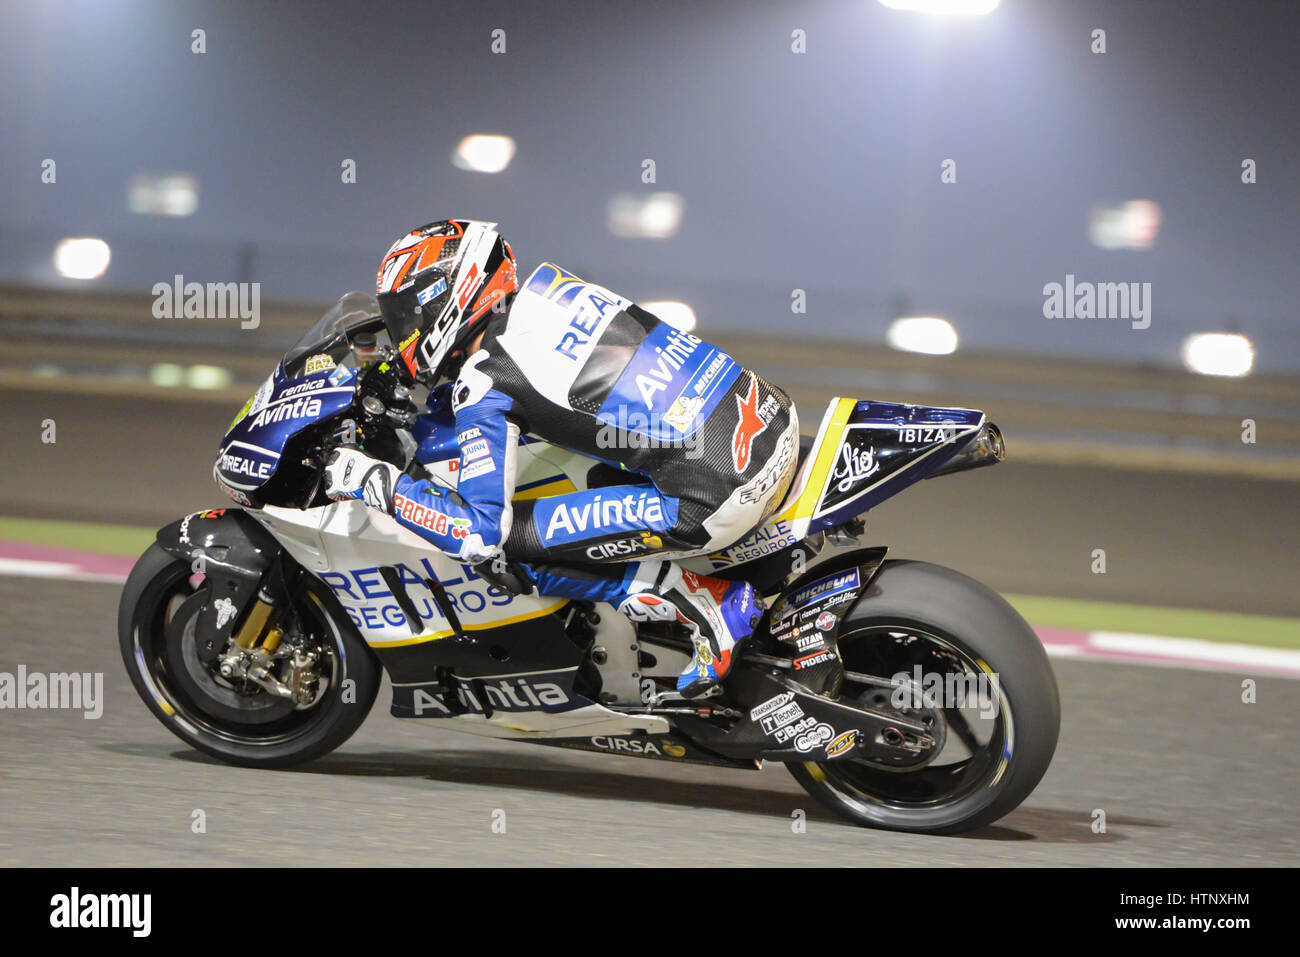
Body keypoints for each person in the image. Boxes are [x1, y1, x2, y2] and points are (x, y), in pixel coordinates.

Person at [324, 219, 799, 697]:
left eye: (407, 313)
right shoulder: (554, 289)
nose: (406, 330)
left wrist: (370, 479)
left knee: (506, 546)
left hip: (717, 492)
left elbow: (478, 534)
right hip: (768, 418)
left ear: (444, 298)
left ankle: (708, 606)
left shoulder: (485, 379)